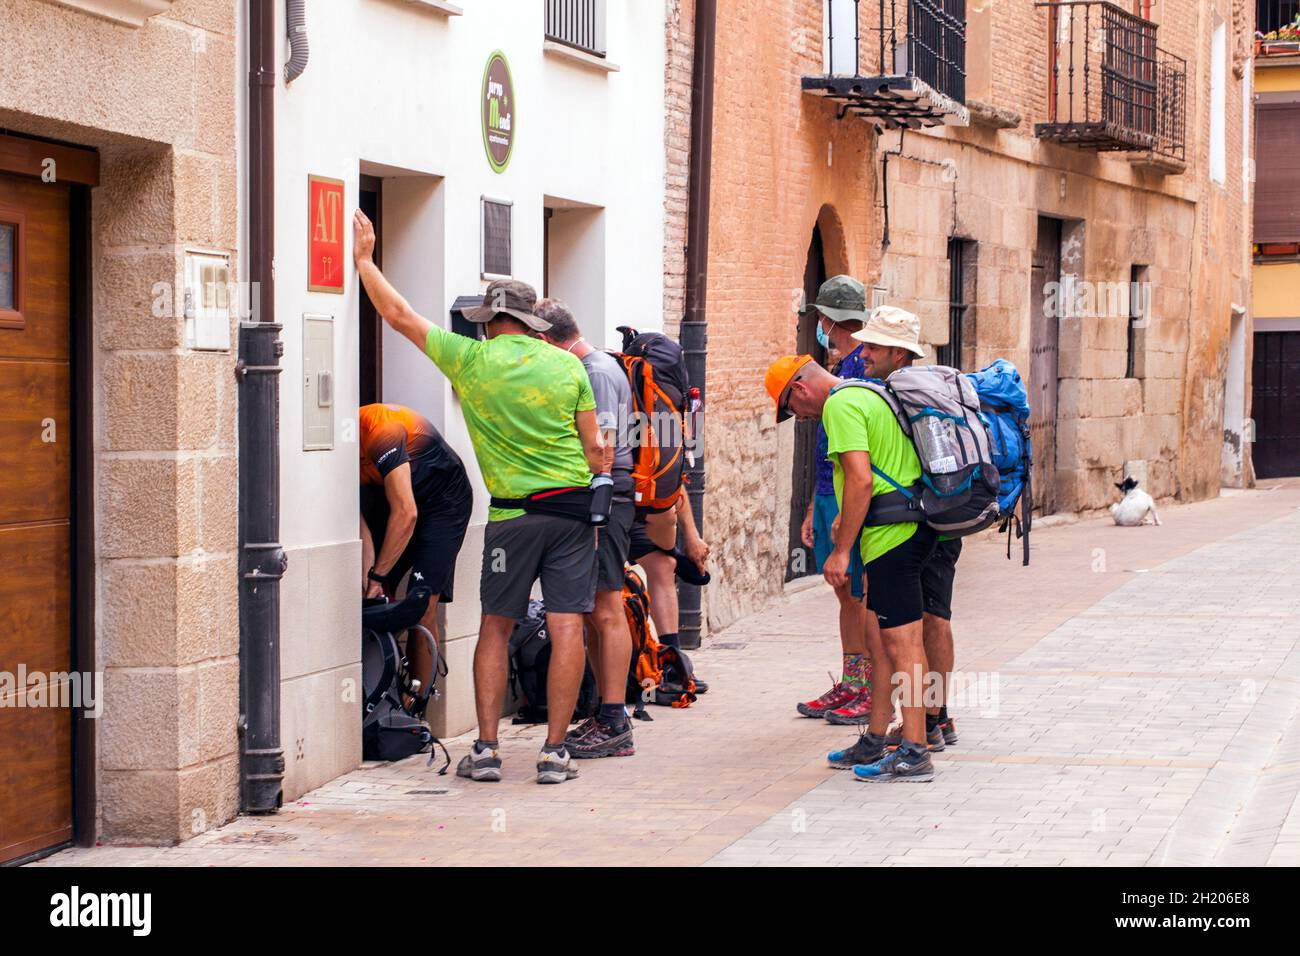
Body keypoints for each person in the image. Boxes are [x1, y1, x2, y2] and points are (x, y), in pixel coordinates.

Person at [353, 209, 604, 786]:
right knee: (567, 625)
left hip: (512, 516)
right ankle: (555, 754)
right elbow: (596, 453)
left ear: (492, 321)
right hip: (571, 513)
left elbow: (399, 316)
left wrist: (366, 259)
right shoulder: (569, 368)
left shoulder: (469, 359)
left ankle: (487, 750)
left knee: (495, 624)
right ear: (533, 321)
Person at [764, 305, 938, 782]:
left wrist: (840, 549)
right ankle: (875, 739)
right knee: (883, 644)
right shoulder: (865, 393)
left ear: (800, 389)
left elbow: (861, 480)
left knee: (904, 646)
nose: (798, 417)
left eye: (792, 409)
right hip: (901, 531)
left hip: (891, 538)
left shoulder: (839, 406)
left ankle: (916, 749)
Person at [535, 298, 637, 759]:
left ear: (546, 339)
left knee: (607, 606)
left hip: (605, 499)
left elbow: (604, 445)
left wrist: (590, 506)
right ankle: (606, 713)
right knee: (598, 608)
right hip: (605, 498)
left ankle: (615, 719)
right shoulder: (599, 365)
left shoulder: (593, 371)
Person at [795, 276, 872, 724]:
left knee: (858, 595)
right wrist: (813, 504)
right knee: (845, 595)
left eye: (821, 318)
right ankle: (852, 681)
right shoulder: (843, 366)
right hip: (829, 493)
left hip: (848, 499)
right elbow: (829, 450)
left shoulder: (863, 367)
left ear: (830, 319)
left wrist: (843, 512)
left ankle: (866, 690)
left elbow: (857, 457)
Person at [359, 403, 472, 707]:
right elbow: (362, 527)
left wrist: (378, 575)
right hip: (396, 501)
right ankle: (384, 691)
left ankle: (417, 702)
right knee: (376, 599)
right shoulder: (339, 455)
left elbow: (406, 513)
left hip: (444, 504)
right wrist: (372, 580)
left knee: (421, 604)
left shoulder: (381, 431)